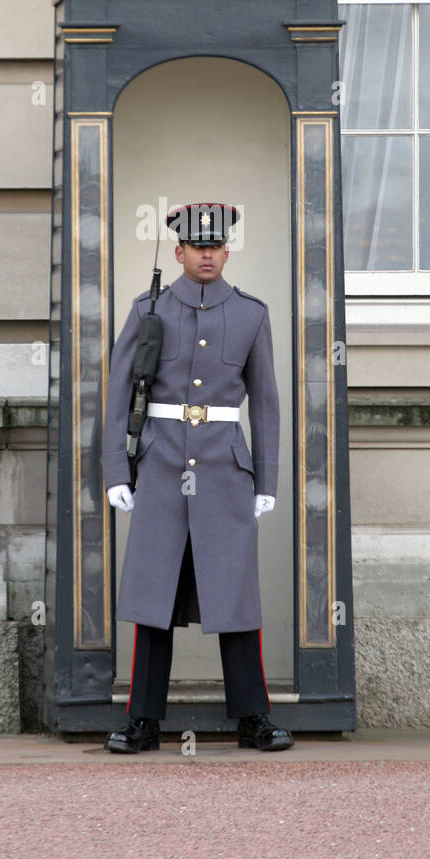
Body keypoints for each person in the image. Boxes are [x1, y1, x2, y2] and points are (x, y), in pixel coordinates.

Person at [101, 201, 294, 753]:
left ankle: (254, 718)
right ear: (179, 251)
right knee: (152, 597)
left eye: (216, 246)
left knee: (235, 598)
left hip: (223, 469)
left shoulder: (251, 315)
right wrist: (118, 467)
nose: (207, 254)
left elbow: (267, 404)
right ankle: (142, 722)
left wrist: (266, 480)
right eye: (197, 247)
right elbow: (118, 396)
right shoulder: (148, 310)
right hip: (161, 467)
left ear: (226, 251)